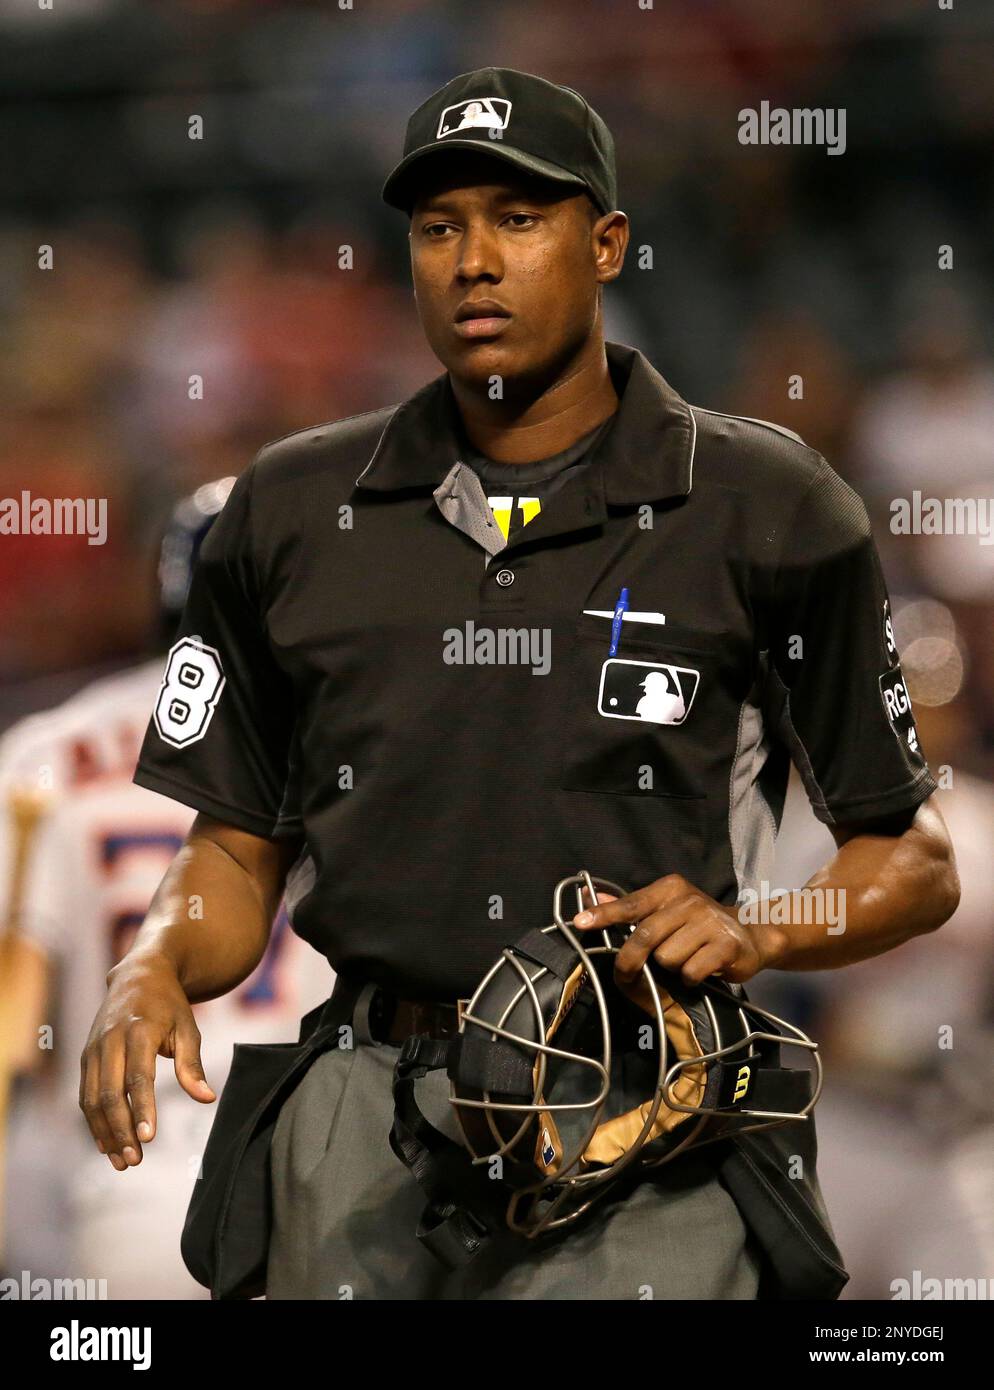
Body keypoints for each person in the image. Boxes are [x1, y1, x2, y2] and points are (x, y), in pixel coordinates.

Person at [79, 67, 959, 1301]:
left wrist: (766, 924)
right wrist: (150, 965)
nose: (473, 260)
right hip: (360, 1111)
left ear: (605, 244)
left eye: (518, 218)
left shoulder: (766, 505)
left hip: (640, 1112)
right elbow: (234, 850)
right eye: (439, 229)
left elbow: (911, 858)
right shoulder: (286, 511)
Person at [0, 480, 332, 1297]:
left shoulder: (47, 751)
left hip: (123, 1180)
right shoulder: (359, 748)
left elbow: (9, 1030)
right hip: (321, 1182)